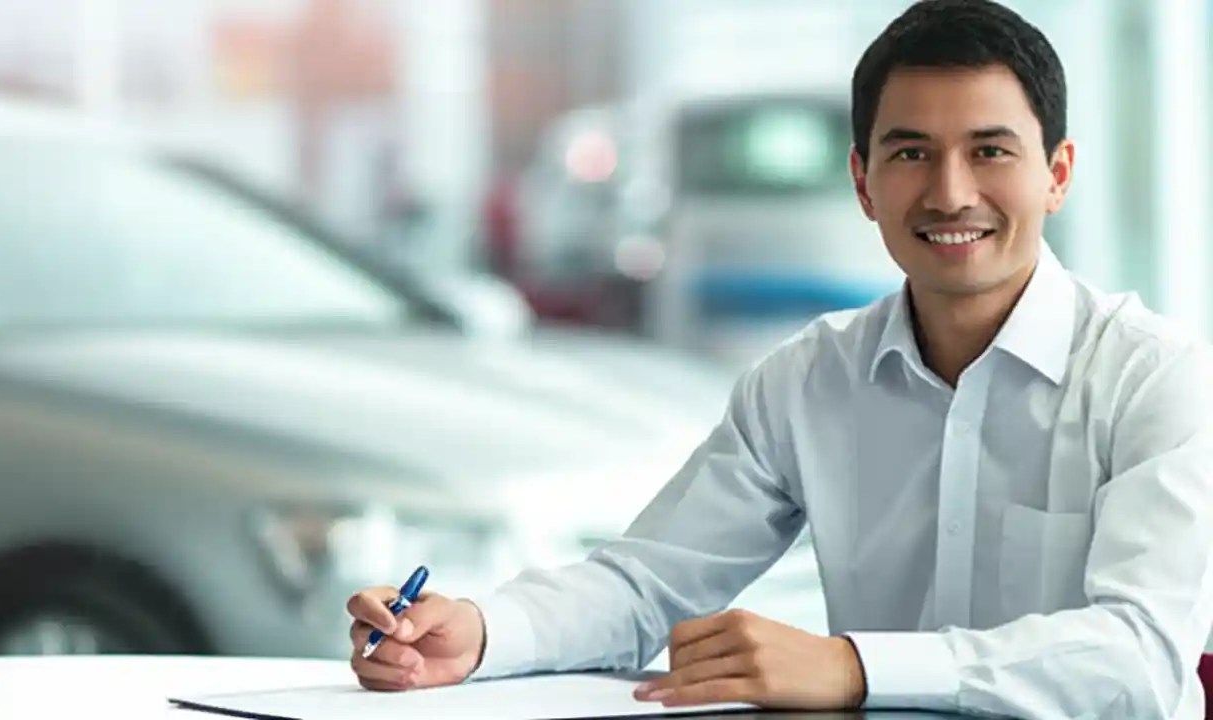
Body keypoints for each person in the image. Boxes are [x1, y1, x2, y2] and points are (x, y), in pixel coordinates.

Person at [346, 1, 1213, 716]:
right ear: (864, 182)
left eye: (990, 151)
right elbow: (645, 583)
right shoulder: (808, 380)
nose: (951, 192)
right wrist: (480, 632)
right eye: (911, 152)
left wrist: (850, 668)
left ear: (1057, 173)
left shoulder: (1156, 378)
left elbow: (1138, 657)